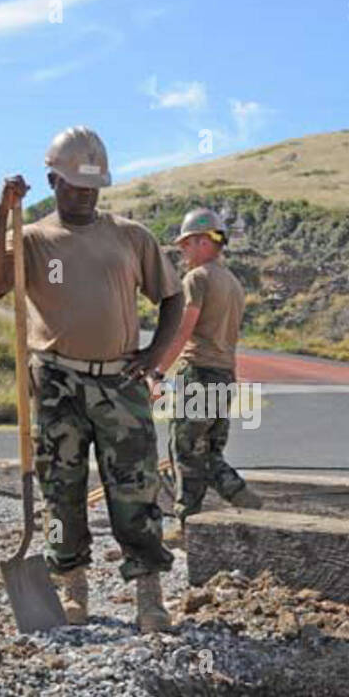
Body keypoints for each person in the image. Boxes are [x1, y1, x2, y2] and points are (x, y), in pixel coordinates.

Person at [0, 126, 183, 633]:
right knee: (62, 490)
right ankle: (72, 589)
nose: (85, 195)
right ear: (53, 180)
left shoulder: (132, 236)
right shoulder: (32, 238)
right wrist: (3, 209)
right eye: (74, 186)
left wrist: (155, 356)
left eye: (93, 187)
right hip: (57, 381)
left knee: (135, 491)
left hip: (120, 382)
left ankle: (149, 598)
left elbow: (172, 297)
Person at [154, 209, 262, 543]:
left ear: (204, 241)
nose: (183, 252)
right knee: (210, 453)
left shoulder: (197, 279)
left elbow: (182, 331)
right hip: (225, 376)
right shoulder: (233, 284)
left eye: (186, 244)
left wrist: (157, 372)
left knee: (185, 452)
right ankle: (251, 505)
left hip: (198, 374)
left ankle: (187, 528)